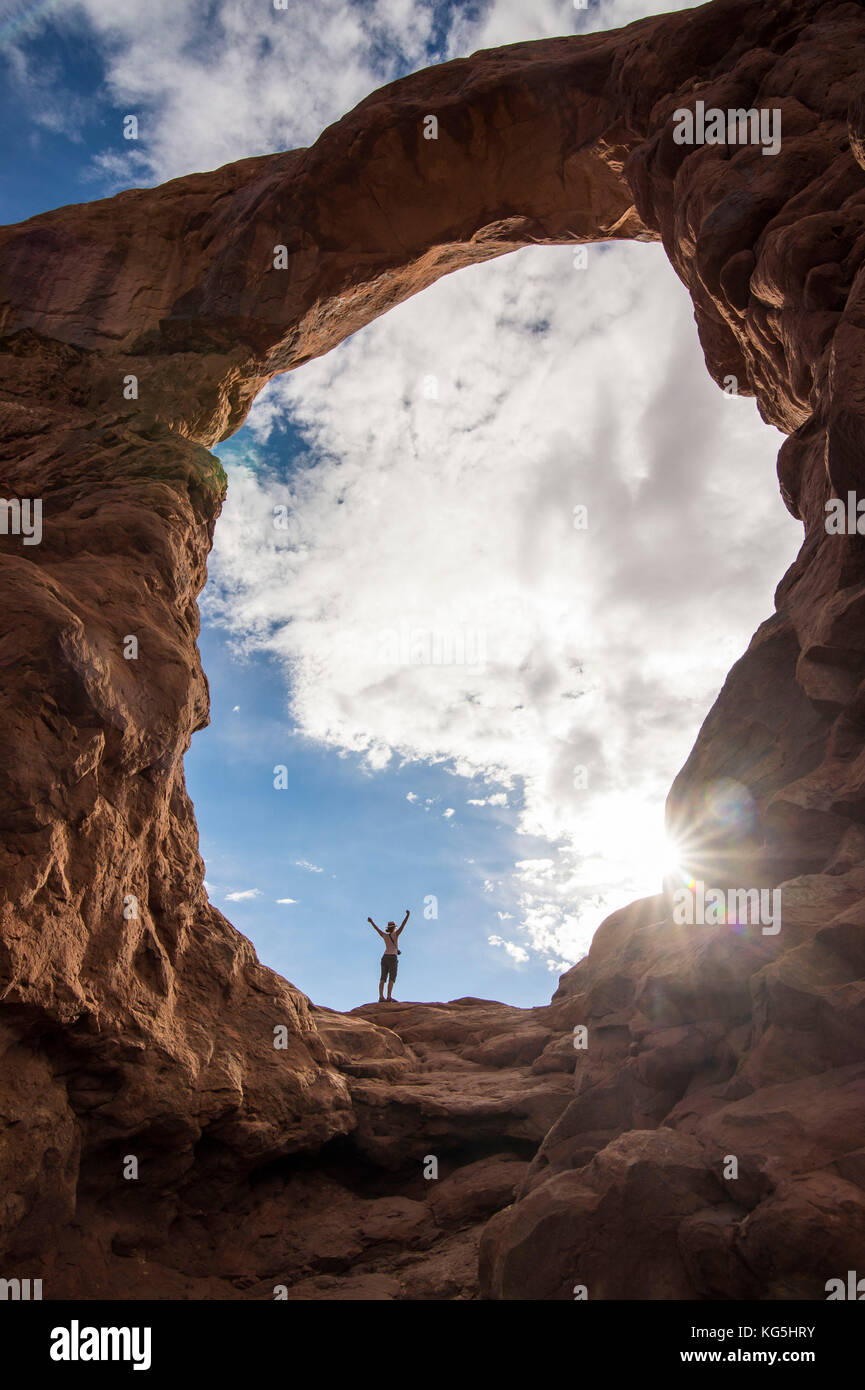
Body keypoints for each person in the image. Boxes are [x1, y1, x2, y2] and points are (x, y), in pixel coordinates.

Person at [368, 908, 409, 1002]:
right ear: (394, 928)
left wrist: (371, 922)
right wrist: (407, 915)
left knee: (383, 977)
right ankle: (389, 997)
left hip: (385, 957)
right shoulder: (396, 934)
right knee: (392, 977)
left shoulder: (384, 935)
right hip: (393, 957)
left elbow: (376, 929)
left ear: (388, 928)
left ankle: (381, 997)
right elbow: (403, 924)